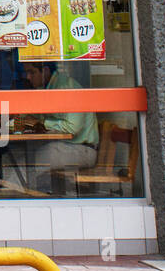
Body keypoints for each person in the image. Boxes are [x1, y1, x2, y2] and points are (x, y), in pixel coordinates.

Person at [7, 62, 99, 194]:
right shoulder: (46, 88)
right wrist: (8, 125)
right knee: (23, 161)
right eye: (26, 73)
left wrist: (42, 123)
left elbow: (72, 128)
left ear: (45, 71)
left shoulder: (66, 88)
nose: (28, 77)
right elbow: (31, 114)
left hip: (82, 150)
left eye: (32, 72)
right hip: (65, 146)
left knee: (25, 166)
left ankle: (8, 201)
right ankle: (19, 198)